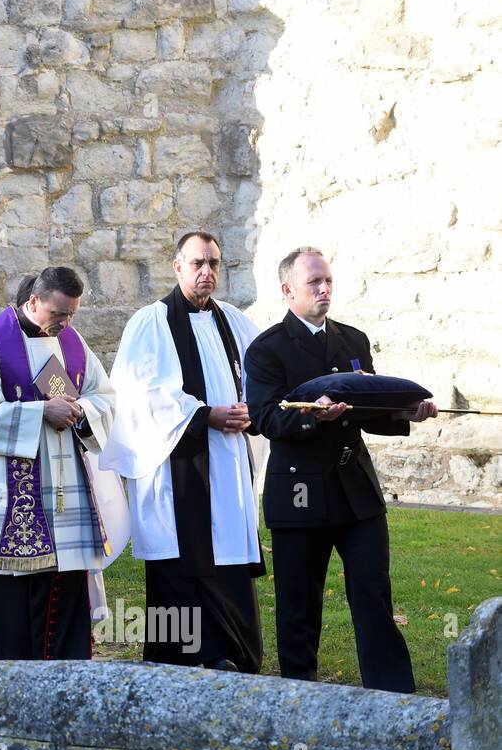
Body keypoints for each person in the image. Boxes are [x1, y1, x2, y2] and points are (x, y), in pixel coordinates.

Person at [245, 246, 436, 692]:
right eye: (314, 282)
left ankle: (391, 695)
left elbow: (369, 407)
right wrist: (313, 415)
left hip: (356, 487)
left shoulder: (353, 340)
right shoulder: (267, 350)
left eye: (328, 279)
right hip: (300, 491)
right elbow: (265, 419)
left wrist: (405, 413)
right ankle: (299, 693)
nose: (325, 288)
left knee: (373, 593)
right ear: (288, 290)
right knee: (299, 603)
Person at [101, 231, 266, 673]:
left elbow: (260, 372)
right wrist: (204, 415)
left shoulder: (234, 321)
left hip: (228, 462)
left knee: (228, 553)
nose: (207, 272)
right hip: (177, 465)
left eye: (214, 263)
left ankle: (236, 654)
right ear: (177, 266)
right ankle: (181, 659)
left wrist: (252, 407)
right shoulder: (150, 322)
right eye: (197, 264)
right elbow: (140, 392)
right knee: (184, 561)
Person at [0, 266, 118, 674]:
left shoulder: (72, 344)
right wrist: (42, 411)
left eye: (72, 314)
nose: (65, 323)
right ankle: (10, 670)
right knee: (14, 591)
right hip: (10, 495)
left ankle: (66, 666)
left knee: (63, 581)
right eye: (58, 313)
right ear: (33, 302)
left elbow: (103, 397)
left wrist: (81, 410)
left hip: (64, 495)